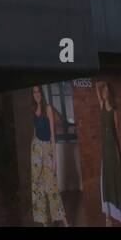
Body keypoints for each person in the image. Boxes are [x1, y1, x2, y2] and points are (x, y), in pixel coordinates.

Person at [29, 85, 67, 226]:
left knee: (52, 186)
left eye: (38, 91)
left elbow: (52, 134)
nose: (36, 94)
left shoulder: (48, 108)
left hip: (47, 149)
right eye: (34, 92)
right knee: (38, 187)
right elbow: (34, 132)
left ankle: (64, 221)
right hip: (36, 151)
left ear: (41, 93)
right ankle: (44, 223)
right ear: (32, 95)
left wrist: (55, 158)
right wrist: (32, 149)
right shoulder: (33, 110)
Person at [96, 80, 121, 226]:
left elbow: (117, 133)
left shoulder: (114, 111)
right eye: (103, 91)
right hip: (105, 148)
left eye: (106, 91)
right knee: (106, 181)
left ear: (109, 94)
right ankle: (108, 217)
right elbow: (96, 87)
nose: (104, 93)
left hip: (113, 146)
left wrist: (118, 151)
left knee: (117, 180)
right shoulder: (102, 104)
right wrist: (103, 83)